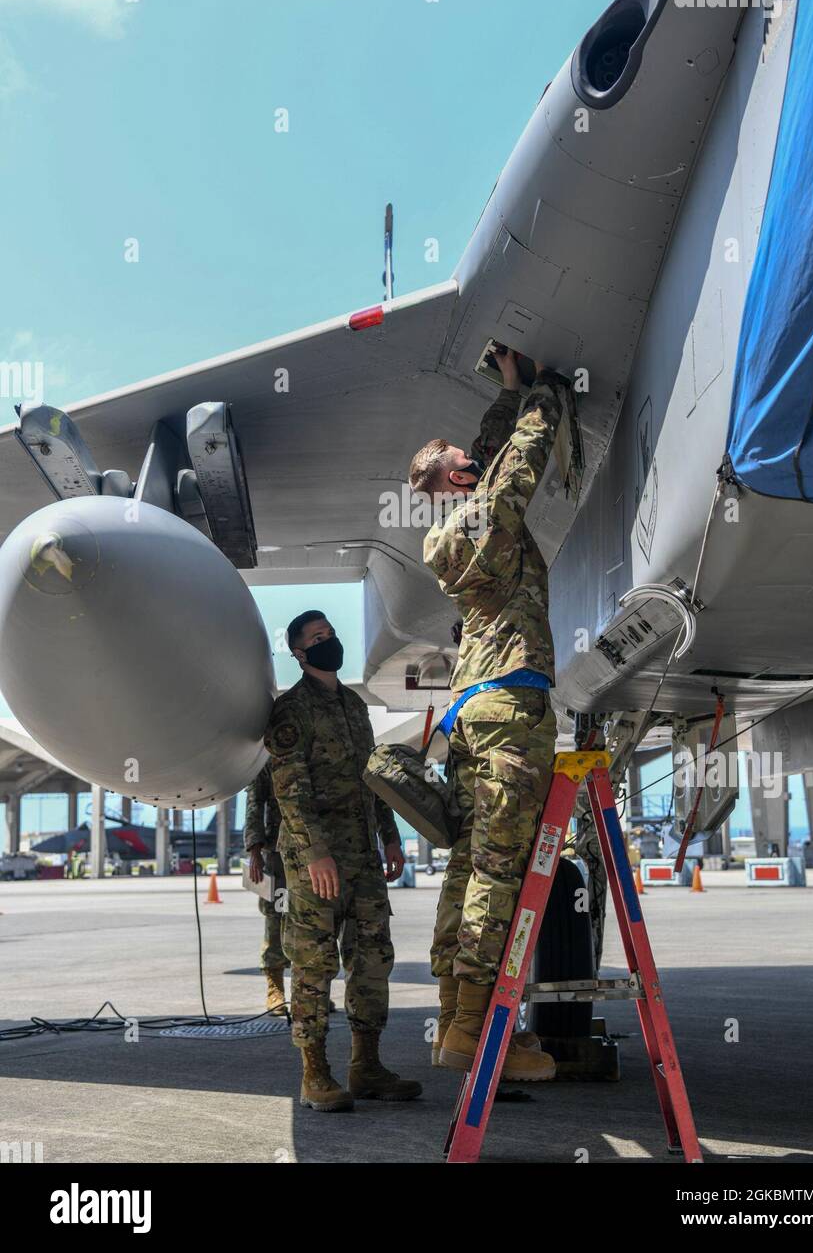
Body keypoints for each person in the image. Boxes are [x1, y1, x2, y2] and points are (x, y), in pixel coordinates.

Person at [409, 347, 571, 1081]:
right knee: (501, 876)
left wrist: (505, 390)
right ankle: (478, 1032)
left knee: (471, 869)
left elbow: (489, 456)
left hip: (478, 706)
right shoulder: (482, 515)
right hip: (511, 704)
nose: (471, 459)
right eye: (458, 459)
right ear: (449, 478)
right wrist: (545, 394)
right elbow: (520, 462)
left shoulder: (452, 532)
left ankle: (454, 1022)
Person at [264, 610, 422, 1112]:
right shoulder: (292, 710)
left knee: (373, 958)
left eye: (331, 633)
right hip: (318, 862)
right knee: (314, 963)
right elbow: (288, 789)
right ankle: (315, 1073)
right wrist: (316, 853)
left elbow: (373, 779)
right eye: (317, 637)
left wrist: (392, 838)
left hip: (363, 855)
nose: (328, 641)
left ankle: (366, 1066)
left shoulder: (354, 704)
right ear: (299, 652)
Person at [244, 760, 290, 1015]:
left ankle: (311, 991)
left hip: (313, 852)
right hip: (276, 852)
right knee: (275, 921)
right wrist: (254, 850)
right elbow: (254, 801)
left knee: (313, 923)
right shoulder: (266, 756)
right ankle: (275, 989)